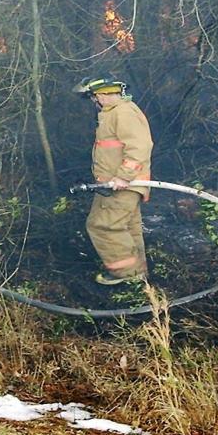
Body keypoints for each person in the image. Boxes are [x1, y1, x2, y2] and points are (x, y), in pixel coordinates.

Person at [73, 74, 154, 285]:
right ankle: (136, 273)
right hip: (112, 184)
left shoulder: (123, 113)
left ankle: (127, 275)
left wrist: (123, 177)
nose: (94, 102)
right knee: (127, 226)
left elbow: (140, 147)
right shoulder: (114, 113)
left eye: (94, 97)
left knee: (103, 226)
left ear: (102, 94)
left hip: (123, 184)